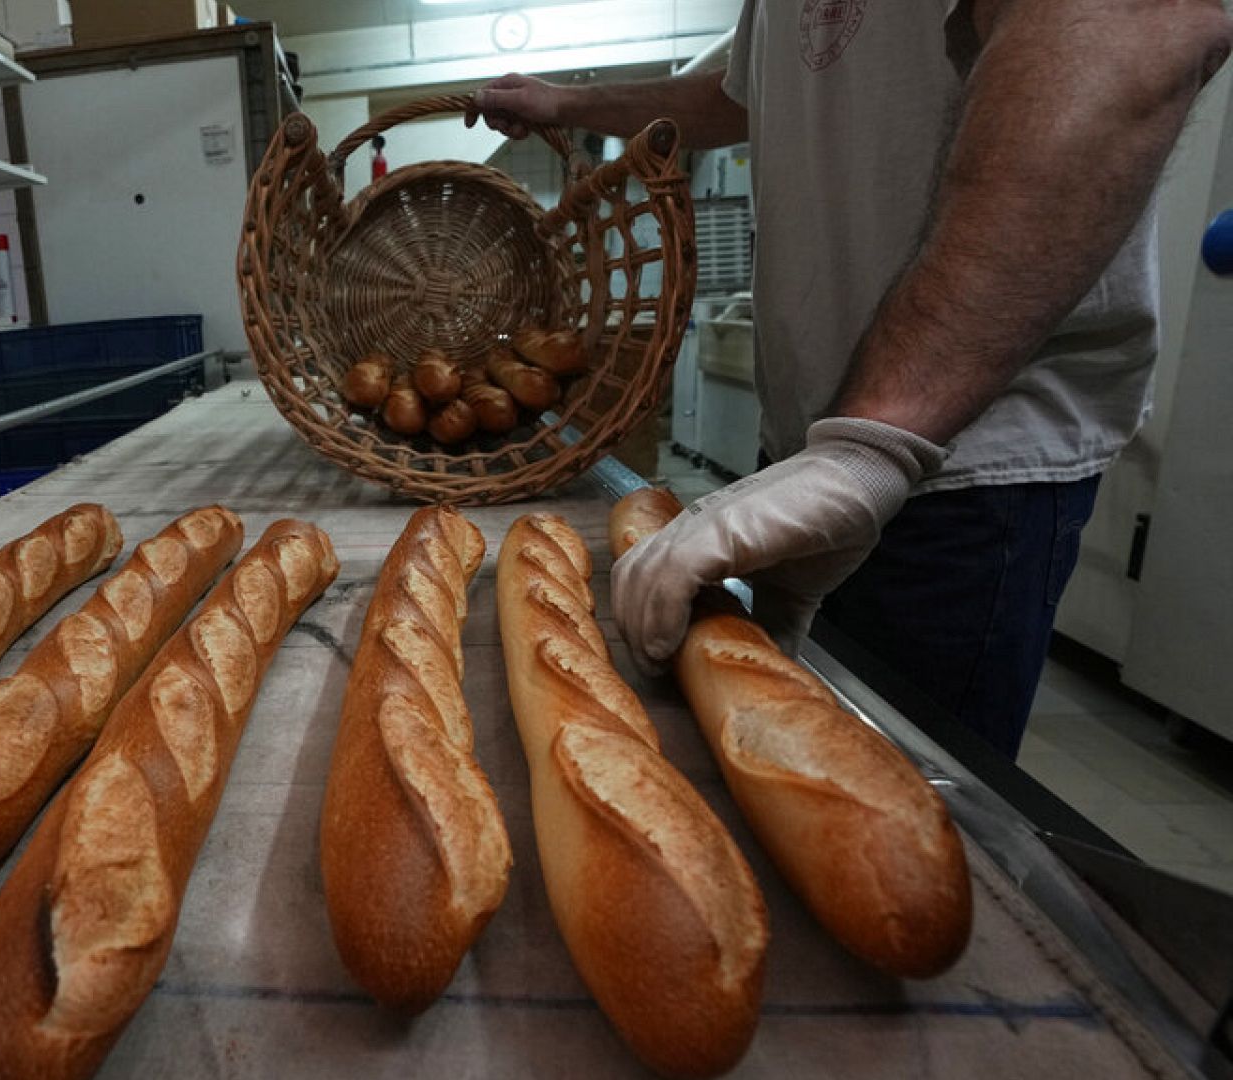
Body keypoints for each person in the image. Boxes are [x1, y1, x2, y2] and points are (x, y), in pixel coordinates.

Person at [468, 0, 1232, 759]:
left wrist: (874, 442)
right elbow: (739, 96)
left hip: (963, 464)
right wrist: (565, 103)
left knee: (902, 811)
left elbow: (1131, 25)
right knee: (780, 762)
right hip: (811, 457)